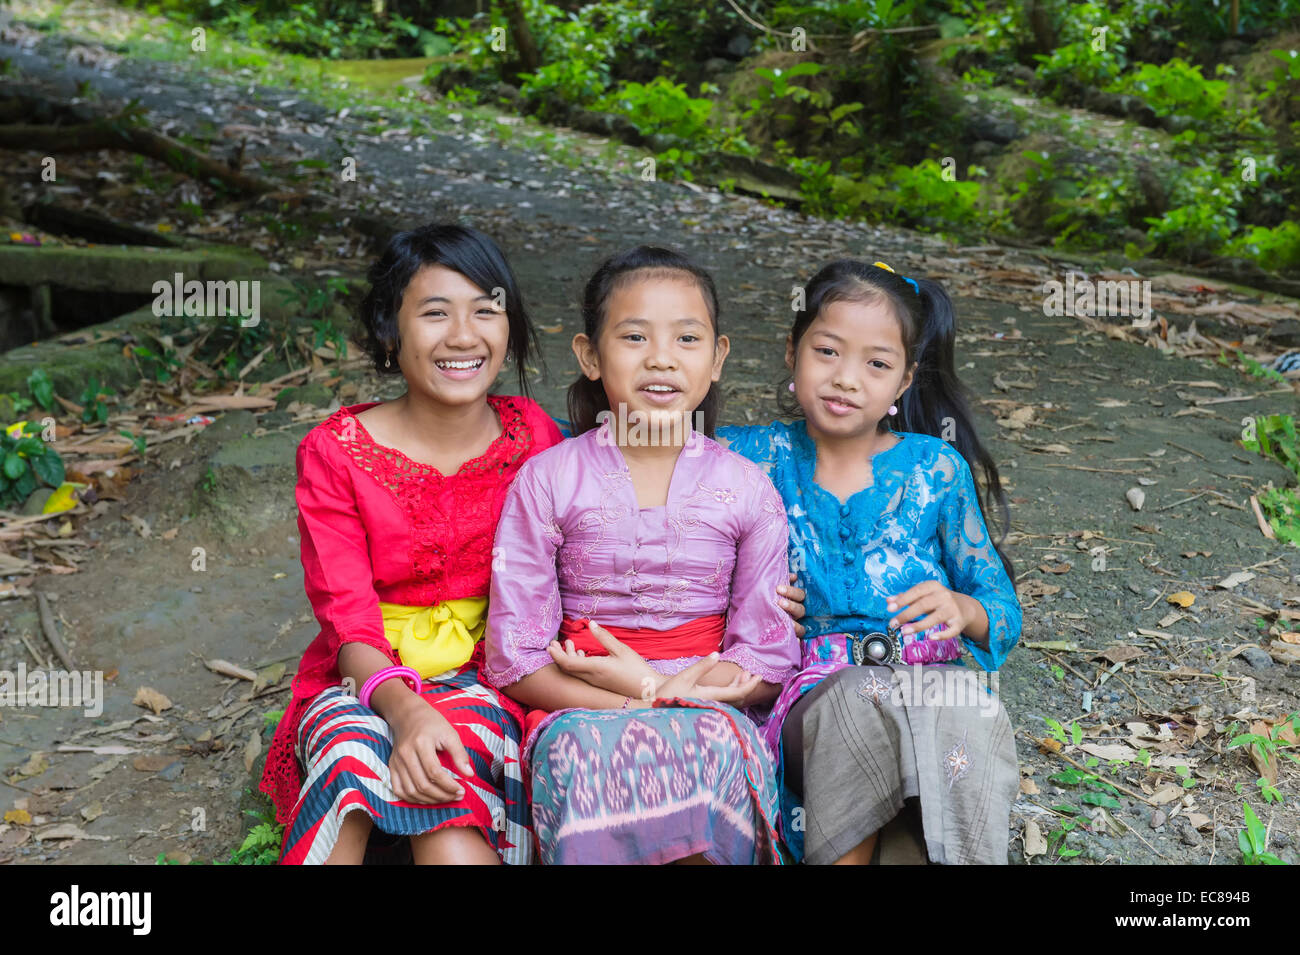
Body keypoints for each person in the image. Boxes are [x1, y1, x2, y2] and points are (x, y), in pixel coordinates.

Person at [484, 246, 801, 864]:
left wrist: (674, 689)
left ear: (717, 360)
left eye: (687, 338)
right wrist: (639, 699)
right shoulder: (547, 480)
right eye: (634, 336)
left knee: (713, 742)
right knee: (585, 754)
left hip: (712, 702)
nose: (661, 357)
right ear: (590, 355)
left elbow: (766, 656)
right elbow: (514, 657)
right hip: (581, 708)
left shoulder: (747, 489)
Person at [261, 223, 563, 864]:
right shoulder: (337, 454)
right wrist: (404, 710)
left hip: (490, 675)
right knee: (347, 756)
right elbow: (349, 619)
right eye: (434, 313)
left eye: (486, 311)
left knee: (445, 782)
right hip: (362, 680)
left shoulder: (534, 436)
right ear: (388, 331)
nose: (462, 336)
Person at [718, 259, 1023, 865]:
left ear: (904, 383)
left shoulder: (935, 470)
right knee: (862, 699)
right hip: (814, 696)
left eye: (876, 364)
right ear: (792, 352)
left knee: (972, 711)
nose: (846, 379)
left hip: (930, 691)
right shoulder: (749, 456)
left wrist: (963, 609)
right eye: (827, 352)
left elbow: (1002, 611)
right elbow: (646, 455)